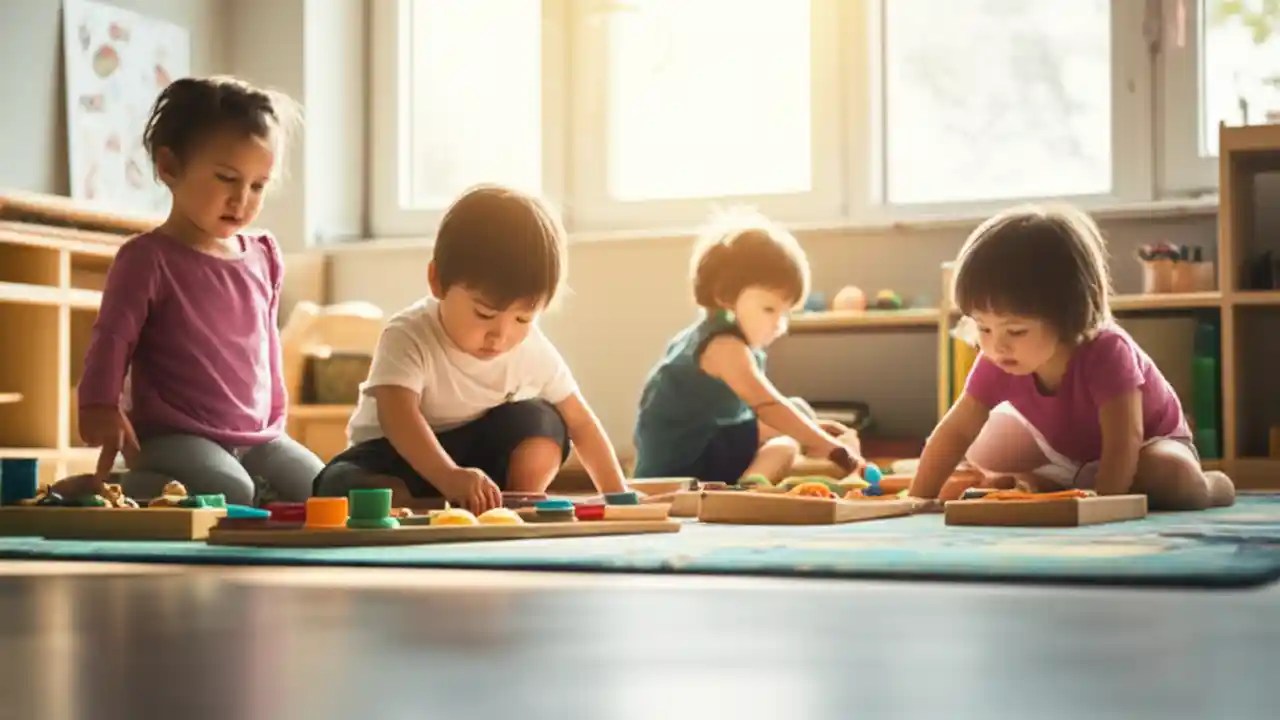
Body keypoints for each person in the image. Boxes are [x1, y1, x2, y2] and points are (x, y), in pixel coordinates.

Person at [67, 76, 321, 505]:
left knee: (324, 490)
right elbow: (112, 338)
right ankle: (106, 488)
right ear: (169, 167)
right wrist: (98, 405)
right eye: (226, 178)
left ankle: (252, 491)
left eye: (258, 185)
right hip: (173, 433)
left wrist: (278, 419)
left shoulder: (263, 254)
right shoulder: (147, 259)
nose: (243, 199)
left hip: (256, 436)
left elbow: (266, 347)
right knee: (230, 492)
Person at [312, 185, 631, 513]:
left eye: (523, 318)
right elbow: (398, 416)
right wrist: (449, 476)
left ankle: (515, 501)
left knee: (543, 420)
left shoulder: (531, 349)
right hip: (396, 457)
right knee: (337, 481)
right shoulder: (409, 334)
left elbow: (581, 422)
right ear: (437, 281)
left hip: (479, 472)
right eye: (484, 314)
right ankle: (420, 507)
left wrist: (619, 496)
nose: (501, 336)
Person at [908, 204, 1234, 510]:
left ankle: (1211, 486)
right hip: (1071, 456)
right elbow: (956, 430)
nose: (997, 346)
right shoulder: (997, 358)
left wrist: (1103, 505)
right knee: (982, 446)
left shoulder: (1106, 351)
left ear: (1066, 316)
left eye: (1016, 331)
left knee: (1168, 475)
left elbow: (1125, 439)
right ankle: (1064, 481)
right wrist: (917, 499)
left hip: (1147, 447)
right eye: (983, 328)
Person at [633, 210, 864, 485]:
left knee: (797, 413)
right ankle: (747, 490)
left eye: (785, 312)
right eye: (769, 309)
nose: (780, 325)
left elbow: (750, 418)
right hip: (681, 470)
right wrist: (831, 448)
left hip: (699, 447)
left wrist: (813, 431)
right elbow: (769, 407)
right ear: (725, 297)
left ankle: (757, 478)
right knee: (786, 444)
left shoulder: (709, 337)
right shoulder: (724, 347)